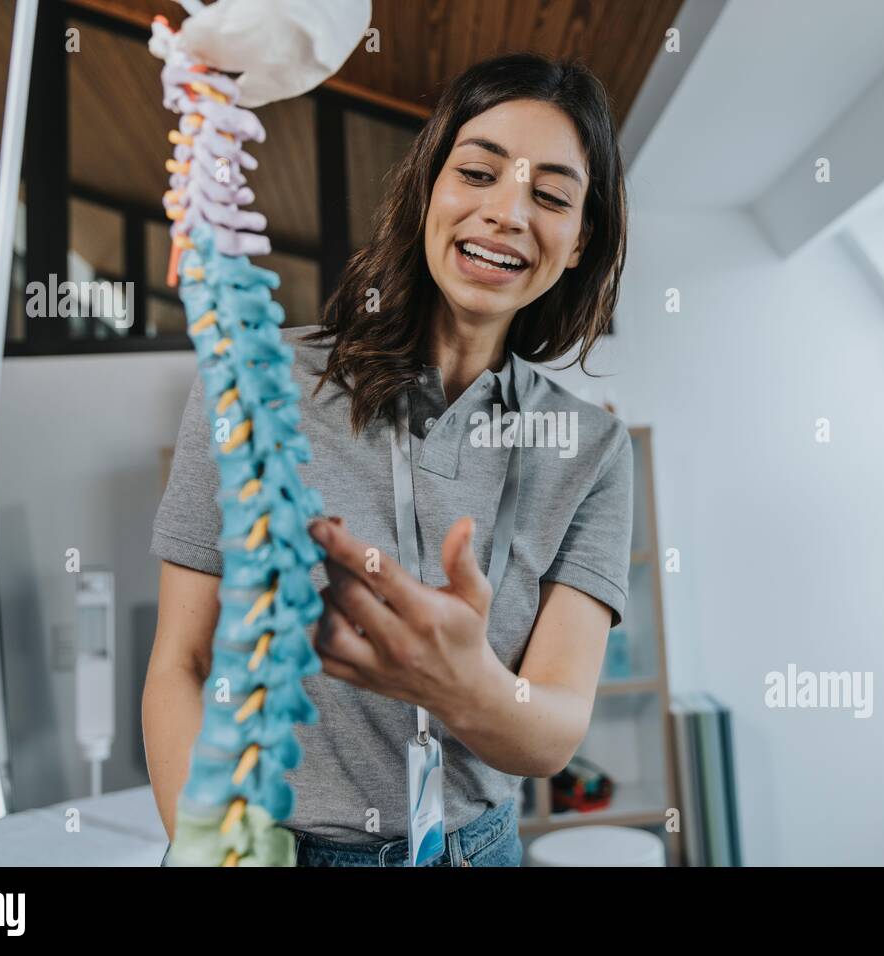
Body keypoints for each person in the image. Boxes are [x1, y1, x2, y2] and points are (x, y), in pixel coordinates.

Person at [143, 1, 633, 868]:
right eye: (477, 173)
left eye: (551, 195)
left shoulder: (591, 450)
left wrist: (467, 686)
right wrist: (210, 853)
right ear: (428, 189)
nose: (507, 212)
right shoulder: (259, 375)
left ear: (577, 241)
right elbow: (181, 665)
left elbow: (555, 730)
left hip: (473, 850)